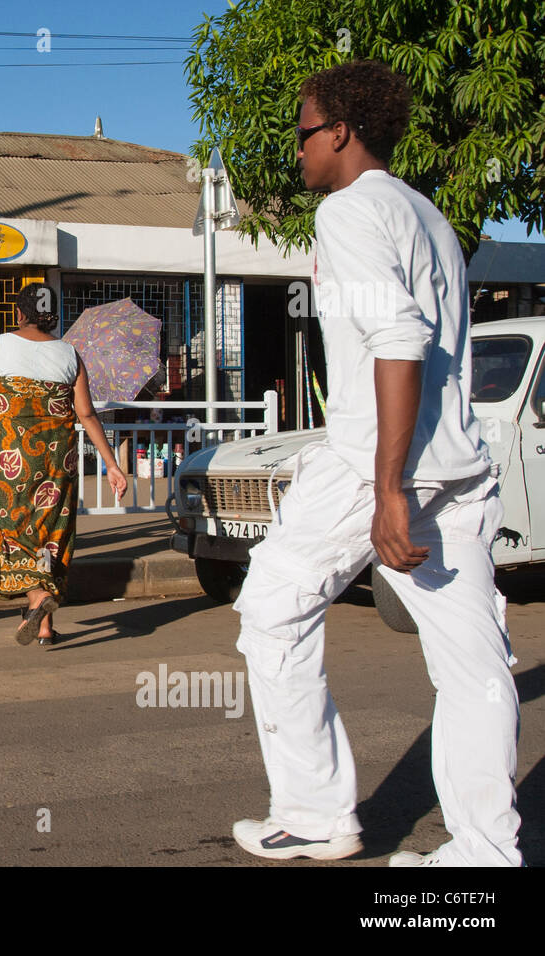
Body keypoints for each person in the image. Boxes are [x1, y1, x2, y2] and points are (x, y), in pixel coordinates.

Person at [231, 60, 520, 866]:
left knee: (273, 612)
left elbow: (398, 342)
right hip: (456, 464)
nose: (297, 153)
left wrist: (387, 486)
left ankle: (315, 814)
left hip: (373, 462)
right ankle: (487, 853)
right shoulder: (426, 214)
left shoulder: (349, 214)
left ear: (342, 132)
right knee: (473, 666)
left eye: (302, 135)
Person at [0, 283, 128, 645]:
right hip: (59, 458)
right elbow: (86, 413)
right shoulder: (69, 352)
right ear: (53, 315)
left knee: (14, 529)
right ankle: (46, 625)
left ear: (20, 313)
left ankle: (37, 599)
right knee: (49, 533)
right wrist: (111, 464)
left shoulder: (0, 344)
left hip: (13, 458)